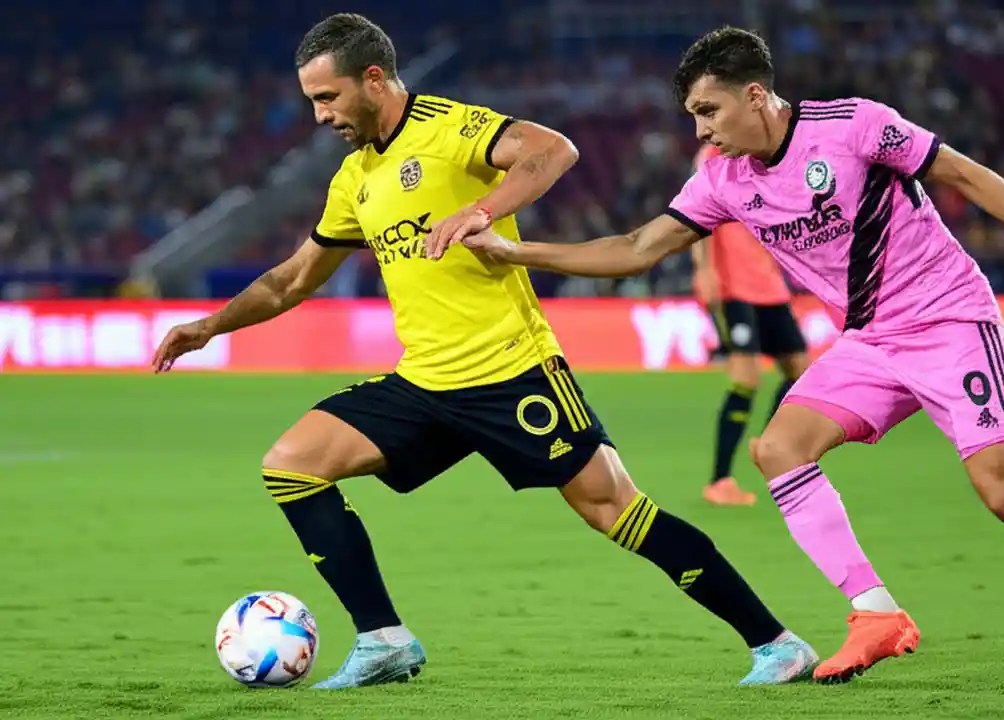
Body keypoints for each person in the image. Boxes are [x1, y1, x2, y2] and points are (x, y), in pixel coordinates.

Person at [457, 27, 1004, 684]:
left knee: (1002, 490)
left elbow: (965, 174)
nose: (701, 129)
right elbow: (638, 250)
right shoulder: (722, 181)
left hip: (950, 320)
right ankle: (876, 614)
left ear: (756, 95)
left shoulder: (854, 126)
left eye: (709, 111)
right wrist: (518, 252)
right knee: (779, 449)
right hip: (869, 343)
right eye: (693, 116)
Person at [152, 15, 817, 689]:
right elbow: (291, 280)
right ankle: (383, 639)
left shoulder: (449, 128)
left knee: (615, 509)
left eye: (328, 97)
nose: (320, 115)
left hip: (513, 373)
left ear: (373, 80)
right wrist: (209, 327)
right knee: (291, 465)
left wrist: (483, 209)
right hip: (426, 383)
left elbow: (553, 150)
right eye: (312, 102)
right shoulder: (356, 178)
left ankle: (776, 644)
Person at [690, 143, 811, 507]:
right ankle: (720, 480)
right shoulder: (714, 155)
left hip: (769, 284)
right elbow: (697, 216)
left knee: (800, 371)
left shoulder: (767, 151)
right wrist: (705, 269)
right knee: (746, 378)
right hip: (733, 286)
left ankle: (767, 443)